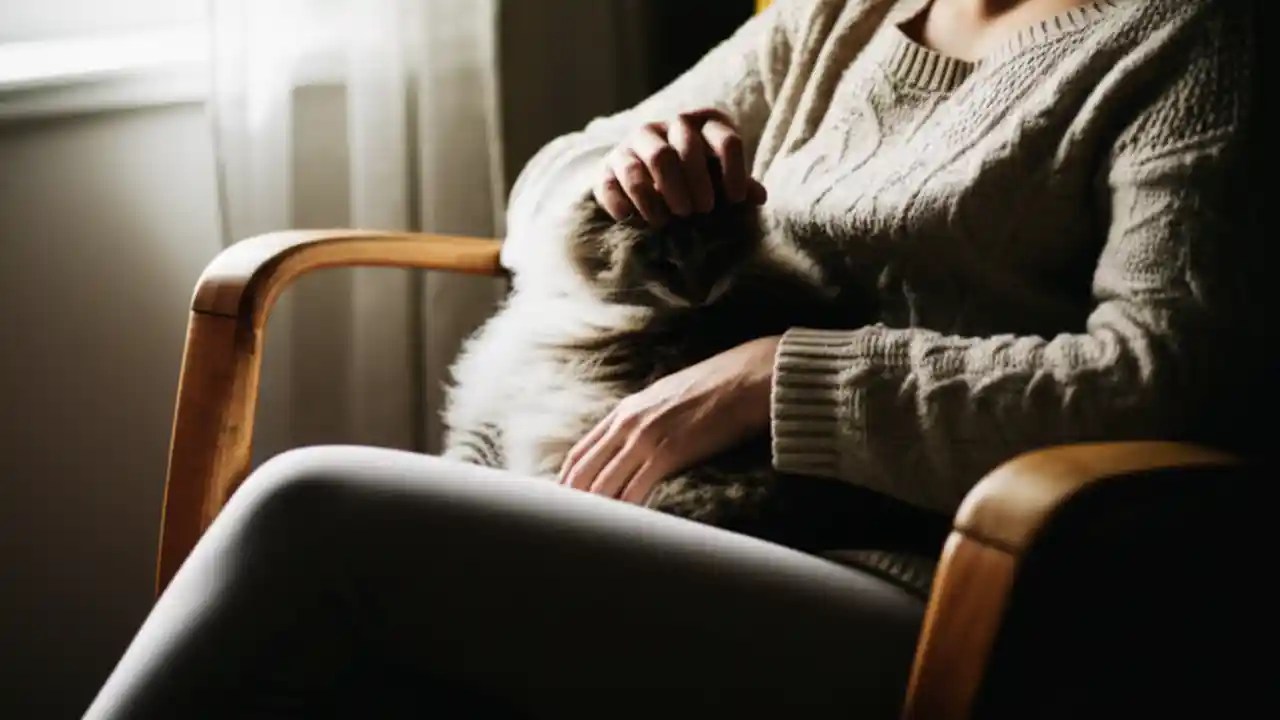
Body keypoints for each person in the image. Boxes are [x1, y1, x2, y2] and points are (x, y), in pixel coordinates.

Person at [86, 0, 1257, 716]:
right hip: (696, 524)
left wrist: (771, 377)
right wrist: (625, 171)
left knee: (315, 514)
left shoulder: (1196, 42)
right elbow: (544, 192)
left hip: (942, 583)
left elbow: (1162, 378)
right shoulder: (841, 17)